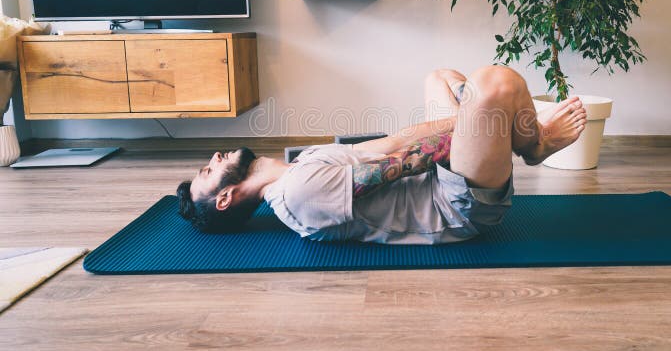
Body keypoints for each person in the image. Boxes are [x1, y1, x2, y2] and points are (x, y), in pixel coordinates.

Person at [177, 66, 587, 244]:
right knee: (495, 84)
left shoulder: (299, 168)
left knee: (440, 78)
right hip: (456, 205)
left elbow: (392, 143)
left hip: (439, 172)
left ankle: (510, 131)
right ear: (224, 197)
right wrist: (478, 122)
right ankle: (536, 146)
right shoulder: (299, 193)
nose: (213, 157)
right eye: (207, 171)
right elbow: (408, 160)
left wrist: (477, 124)